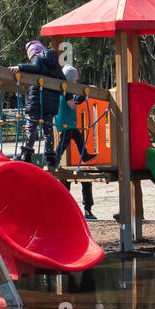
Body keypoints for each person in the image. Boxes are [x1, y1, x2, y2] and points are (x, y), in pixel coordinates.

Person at [54, 65, 97, 219]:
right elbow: (74, 102)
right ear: (69, 80)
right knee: (64, 144)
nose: (75, 83)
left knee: (73, 139)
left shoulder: (67, 91)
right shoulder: (64, 92)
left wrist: (85, 92)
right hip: (66, 125)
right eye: (74, 80)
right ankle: (56, 159)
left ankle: (82, 155)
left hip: (69, 125)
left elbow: (76, 100)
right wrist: (85, 94)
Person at [15, 40, 64, 169]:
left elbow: (35, 68)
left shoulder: (39, 58)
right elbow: (63, 81)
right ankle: (50, 159)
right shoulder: (56, 64)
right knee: (47, 130)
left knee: (31, 127)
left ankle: (26, 154)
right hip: (51, 103)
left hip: (37, 100)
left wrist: (20, 67)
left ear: (33, 54)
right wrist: (69, 97)